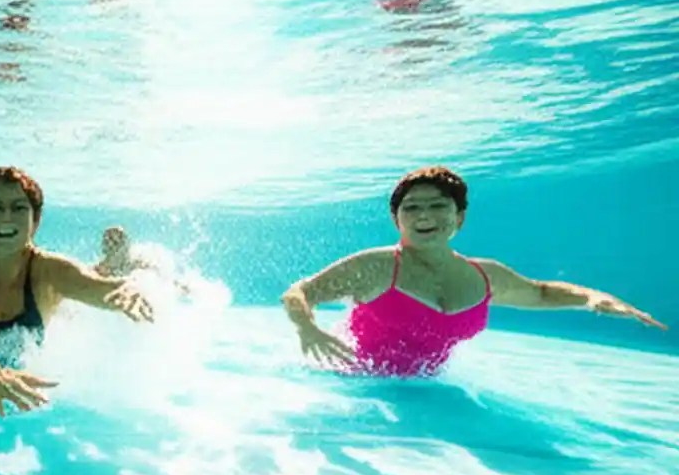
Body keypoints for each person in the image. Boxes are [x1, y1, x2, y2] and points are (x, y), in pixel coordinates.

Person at [281, 166, 665, 377]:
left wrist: (593, 298)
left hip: (423, 393)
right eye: (411, 208)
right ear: (397, 220)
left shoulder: (484, 277)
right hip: (349, 383)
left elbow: (541, 292)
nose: (424, 216)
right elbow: (300, 292)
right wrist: (306, 329)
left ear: (459, 217)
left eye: (437, 206)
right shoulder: (377, 267)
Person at [0, 166, 154, 416]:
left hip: (55, 287)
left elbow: (104, 290)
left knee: (85, 285)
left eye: (19, 208)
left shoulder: (49, 271)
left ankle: (112, 264)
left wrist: (129, 289)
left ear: (36, 221)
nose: (7, 218)